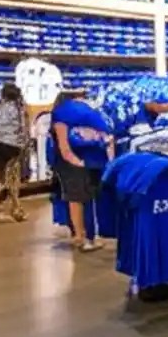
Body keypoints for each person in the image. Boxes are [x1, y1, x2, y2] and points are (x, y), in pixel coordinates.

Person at [51, 93, 113, 252]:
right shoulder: (63, 120)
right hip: (75, 164)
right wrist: (78, 163)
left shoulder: (71, 119)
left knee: (80, 198)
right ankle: (82, 237)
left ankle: (82, 236)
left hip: (79, 163)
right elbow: (64, 148)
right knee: (78, 198)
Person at [0, 83, 30, 225]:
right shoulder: (19, 109)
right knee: (12, 180)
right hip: (13, 148)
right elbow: (24, 131)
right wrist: (24, 148)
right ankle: (17, 210)